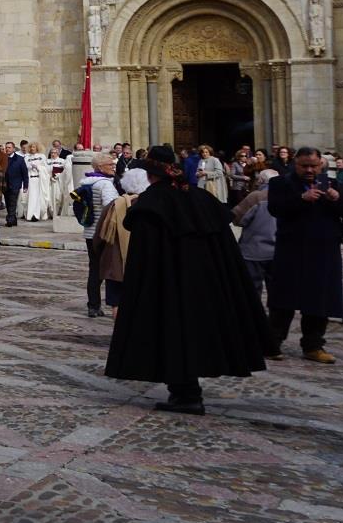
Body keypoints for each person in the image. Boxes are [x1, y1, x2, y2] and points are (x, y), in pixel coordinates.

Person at [105, 145, 269, 414]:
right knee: (195, 332)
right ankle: (188, 393)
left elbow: (144, 255)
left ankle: (185, 393)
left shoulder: (151, 204)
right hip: (206, 284)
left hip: (165, 284)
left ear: (150, 175)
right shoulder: (201, 198)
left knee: (171, 333)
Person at [265, 146, 343, 364]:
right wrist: (302, 199)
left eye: (313, 166)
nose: (309, 170)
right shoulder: (280, 184)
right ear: (295, 164)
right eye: (304, 166)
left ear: (321, 165)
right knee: (283, 300)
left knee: (319, 299)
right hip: (291, 249)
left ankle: (313, 345)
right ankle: (272, 343)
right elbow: (275, 209)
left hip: (324, 251)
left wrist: (338, 206)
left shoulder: (335, 185)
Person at [95, 167, 149, 315]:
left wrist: (100, 256)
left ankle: (119, 335)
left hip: (115, 263)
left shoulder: (114, 204)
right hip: (143, 261)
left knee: (117, 302)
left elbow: (99, 235)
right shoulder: (150, 205)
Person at [233, 168, 280, 309]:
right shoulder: (286, 196)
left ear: (260, 180)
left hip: (253, 250)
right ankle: (276, 322)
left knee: (253, 288)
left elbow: (237, 219)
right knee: (276, 289)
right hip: (277, 250)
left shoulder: (256, 196)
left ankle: (255, 319)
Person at [79, 153, 120, 317]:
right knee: (111, 268)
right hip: (103, 232)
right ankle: (114, 304)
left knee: (94, 269)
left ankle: (93, 305)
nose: (113, 166)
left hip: (90, 232)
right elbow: (111, 207)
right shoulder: (105, 185)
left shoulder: (87, 183)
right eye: (110, 164)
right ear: (101, 167)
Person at [22, 143, 50, 222]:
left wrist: (38, 167)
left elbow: (46, 168)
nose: (31, 148)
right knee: (31, 197)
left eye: (33, 147)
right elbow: (24, 168)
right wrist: (30, 166)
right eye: (30, 147)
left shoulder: (42, 156)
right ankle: (30, 215)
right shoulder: (26, 157)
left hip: (39, 179)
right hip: (30, 179)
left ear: (37, 148)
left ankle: (36, 215)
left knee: (38, 198)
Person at [4, 142, 28, 226]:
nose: (7, 149)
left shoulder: (20, 159)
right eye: (6, 147)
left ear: (13, 149)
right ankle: (13, 219)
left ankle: (10, 220)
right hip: (5, 184)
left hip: (15, 184)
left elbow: (25, 173)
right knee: (8, 202)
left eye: (9, 147)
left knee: (12, 202)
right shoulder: (3, 158)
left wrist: (25, 185)